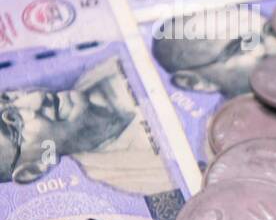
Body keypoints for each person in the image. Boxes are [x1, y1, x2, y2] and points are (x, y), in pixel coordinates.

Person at [0, 55, 173, 194]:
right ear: (35, 167)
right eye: (14, 126)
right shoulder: (136, 176)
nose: (36, 99)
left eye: (8, 97)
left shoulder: (97, 66)